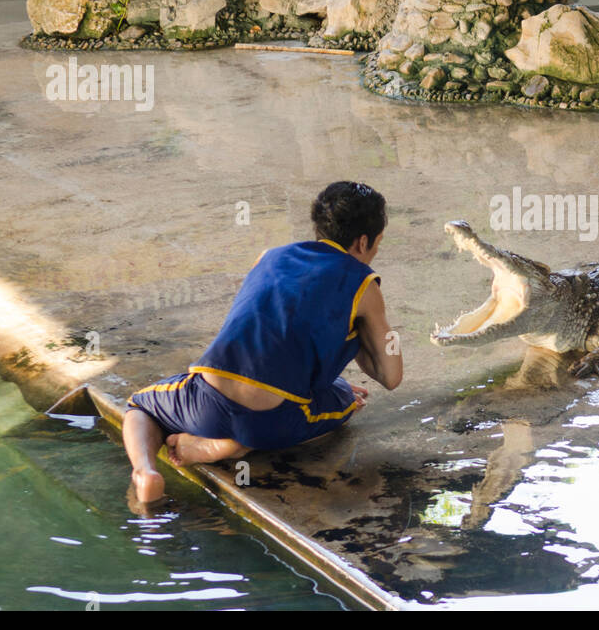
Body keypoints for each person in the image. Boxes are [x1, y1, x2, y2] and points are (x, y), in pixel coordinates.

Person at [122, 181, 402, 504]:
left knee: (140, 406)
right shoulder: (364, 284)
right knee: (346, 400)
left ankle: (145, 471)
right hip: (272, 420)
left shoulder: (269, 256)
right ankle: (233, 446)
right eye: (378, 244)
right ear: (363, 241)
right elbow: (391, 376)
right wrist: (374, 334)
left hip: (206, 401)